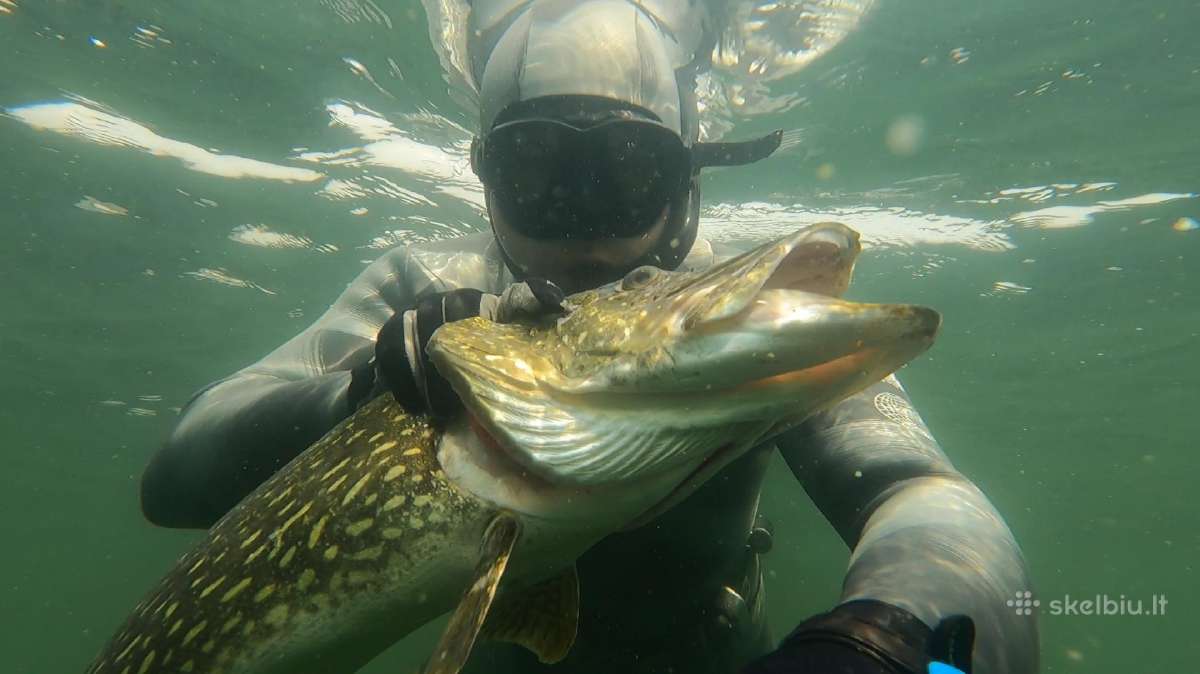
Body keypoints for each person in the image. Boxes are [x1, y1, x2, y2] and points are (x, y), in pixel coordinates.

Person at [140, 1, 1038, 673]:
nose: (582, 233)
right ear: (488, 180)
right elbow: (174, 477)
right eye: (535, 176)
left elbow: (927, 499)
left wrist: (887, 644)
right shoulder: (421, 290)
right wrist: (353, 393)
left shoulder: (744, 332)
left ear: (685, 181)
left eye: (625, 175)